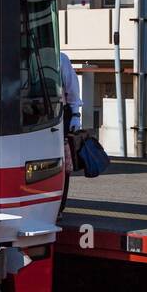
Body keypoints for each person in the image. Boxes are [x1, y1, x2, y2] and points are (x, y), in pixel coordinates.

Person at [58, 52, 81, 214]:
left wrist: (75, 115)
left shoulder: (60, 58)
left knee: (63, 161)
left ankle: (60, 205)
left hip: (59, 113)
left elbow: (72, 89)